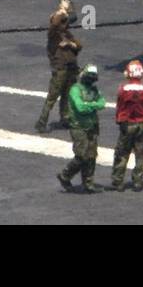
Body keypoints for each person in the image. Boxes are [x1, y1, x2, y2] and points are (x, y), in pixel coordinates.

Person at [57, 65, 106, 194]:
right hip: (78, 127)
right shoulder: (75, 90)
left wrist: (89, 105)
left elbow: (102, 103)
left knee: (91, 156)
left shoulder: (94, 90)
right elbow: (80, 107)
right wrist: (93, 105)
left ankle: (88, 183)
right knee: (81, 156)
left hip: (92, 127)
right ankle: (65, 175)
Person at [35, 11, 81, 133]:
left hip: (71, 69)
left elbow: (79, 46)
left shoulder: (67, 34)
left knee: (67, 95)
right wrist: (60, 13)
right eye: (63, 22)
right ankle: (42, 121)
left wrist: (70, 44)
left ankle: (65, 118)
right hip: (60, 70)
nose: (65, 24)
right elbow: (55, 24)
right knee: (52, 97)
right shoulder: (53, 35)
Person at [111, 59, 143, 191]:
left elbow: (120, 106)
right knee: (140, 154)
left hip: (127, 125)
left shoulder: (123, 89)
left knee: (122, 153)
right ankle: (138, 181)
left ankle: (118, 181)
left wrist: (119, 119)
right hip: (142, 124)